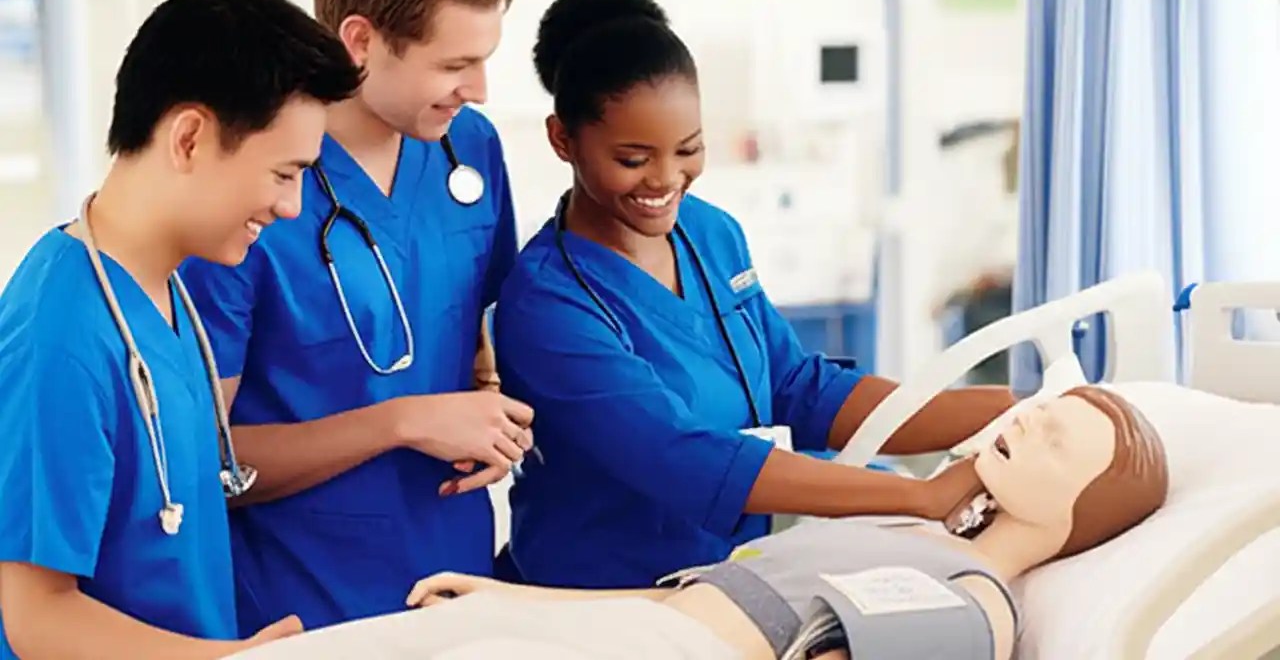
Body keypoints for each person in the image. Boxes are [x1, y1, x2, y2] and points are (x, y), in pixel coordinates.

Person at [489, 0, 1018, 590]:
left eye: (688, 150)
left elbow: (798, 389)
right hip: (604, 594)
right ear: (563, 139)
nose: (666, 179)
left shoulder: (710, 232)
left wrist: (1009, 409)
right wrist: (921, 496)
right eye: (633, 159)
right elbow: (681, 458)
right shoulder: (548, 303)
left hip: (732, 570)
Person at [225, 385, 1170, 660]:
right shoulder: (906, 539)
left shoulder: (976, 602)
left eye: (1057, 441)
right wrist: (514, 599)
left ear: (1077, 513)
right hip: (633, 628)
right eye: (1043, 411)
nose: (1027, 421)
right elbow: (685, 599)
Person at [0, 0, 363, 659]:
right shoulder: (59, 334)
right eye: (283, 174)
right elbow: (36, 619)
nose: (291, 207)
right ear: (190, 138)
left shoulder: (171, 295)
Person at [178, 0, 531, 636]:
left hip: (457, 589)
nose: (479, 89)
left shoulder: (472, 148)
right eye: (453, 65)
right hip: (302, 610)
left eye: (484, 59)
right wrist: (401, 422)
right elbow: (200, 465)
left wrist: (490, 413)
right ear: (361, 41)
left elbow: (470, 329)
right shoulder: (254, 192)